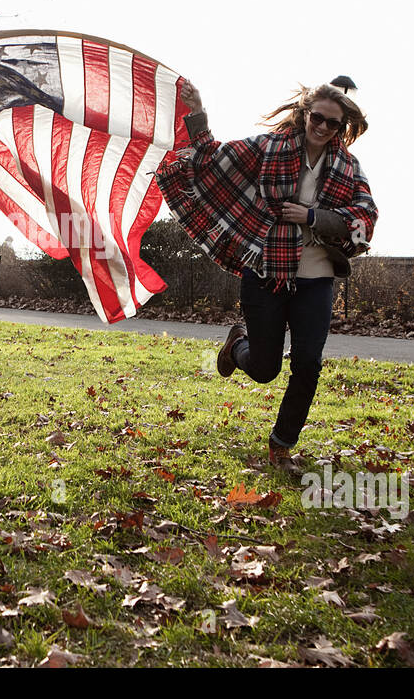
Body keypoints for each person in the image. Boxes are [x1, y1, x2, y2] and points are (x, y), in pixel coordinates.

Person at [155, 75, 378, 473]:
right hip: (265, 272)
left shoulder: (347, 166)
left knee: (308, 363)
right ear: (304, 114)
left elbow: (365, 219)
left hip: (316, 279)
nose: (323, 128)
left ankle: (281, 445)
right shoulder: (271, 147)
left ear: (342, 129)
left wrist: (314, 216)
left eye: (333, 124)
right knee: (264, 369)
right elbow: (212, 158)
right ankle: (236, 345)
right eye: (318, 118)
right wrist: (198, 111)